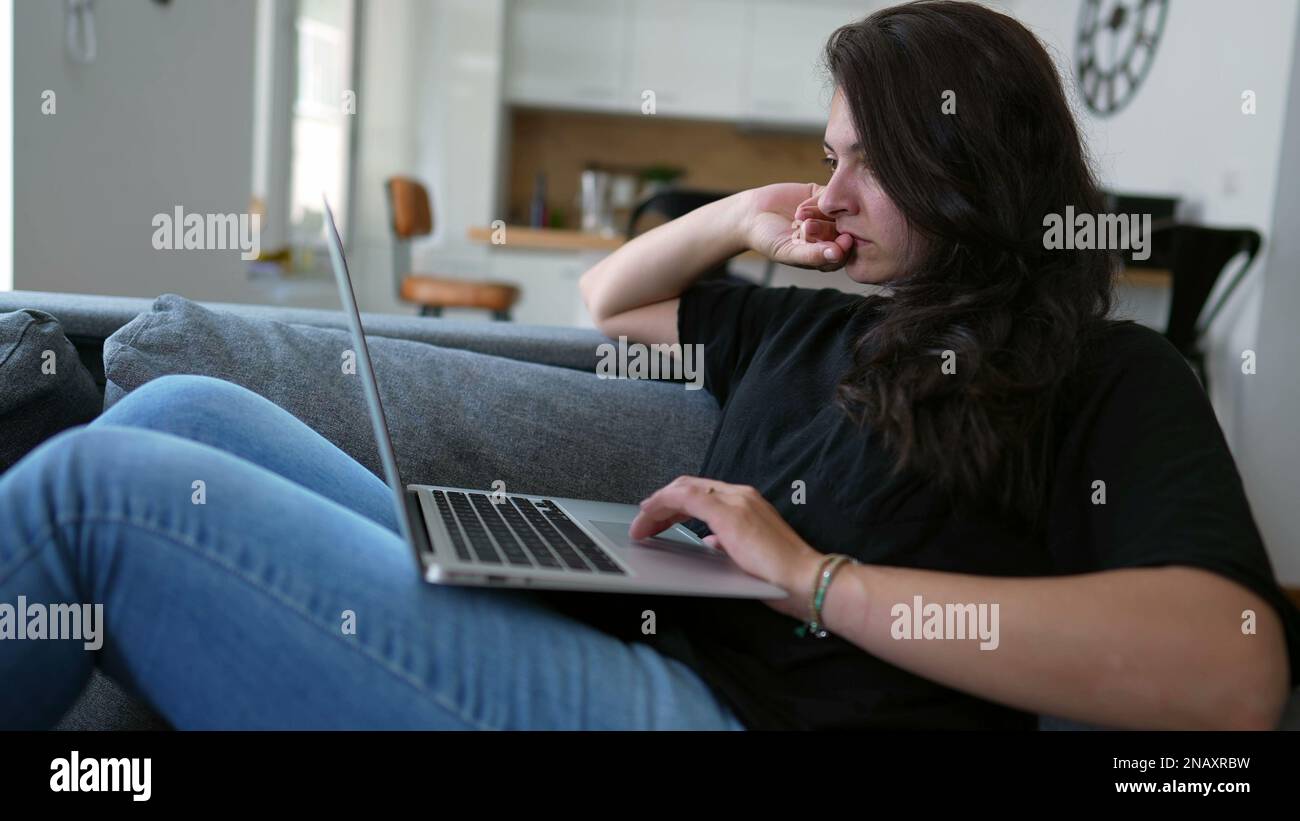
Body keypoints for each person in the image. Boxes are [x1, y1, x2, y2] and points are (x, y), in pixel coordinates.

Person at [1, 0, 1295, 730]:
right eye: (828, 150)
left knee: (97, 499)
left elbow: (1235, 661)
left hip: (716, 717)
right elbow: (609, 299)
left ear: (969, 173)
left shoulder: (1104, 373)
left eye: (861, 158)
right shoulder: (809, 323)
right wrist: (741, 217)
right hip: (640, 637)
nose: (832, 184)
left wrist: (814, 578)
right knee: (180, 405)